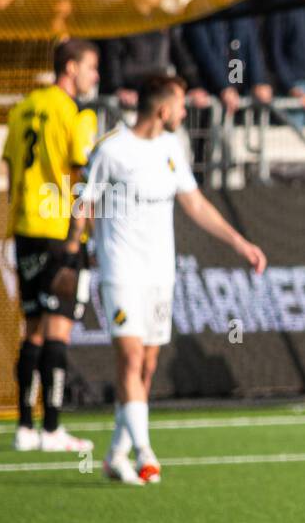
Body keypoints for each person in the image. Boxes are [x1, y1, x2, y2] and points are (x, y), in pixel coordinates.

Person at [84, 75, 267, 484]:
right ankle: (146, 452)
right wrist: (86, 250)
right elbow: (85, 204)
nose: (185, 113)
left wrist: (240, 243)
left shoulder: (171, 147)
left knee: (148, 364)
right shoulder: (111, 149)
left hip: (159, 272)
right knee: (130, 358)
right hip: (121, 269)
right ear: (163, 109)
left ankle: (116, 454)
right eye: (181, 105)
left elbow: (195, 204)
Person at [2, 39, 99, 454]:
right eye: (92, 67)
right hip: (59, 229)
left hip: (26, 226)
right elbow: (81, 176)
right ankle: (53, 428)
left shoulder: (22, 109)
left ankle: (25, 427)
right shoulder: (74, 114)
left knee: (33, 328)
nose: (96, 76)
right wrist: (78, 235)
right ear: (71, 68)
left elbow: (10, 170)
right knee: (59, 327)